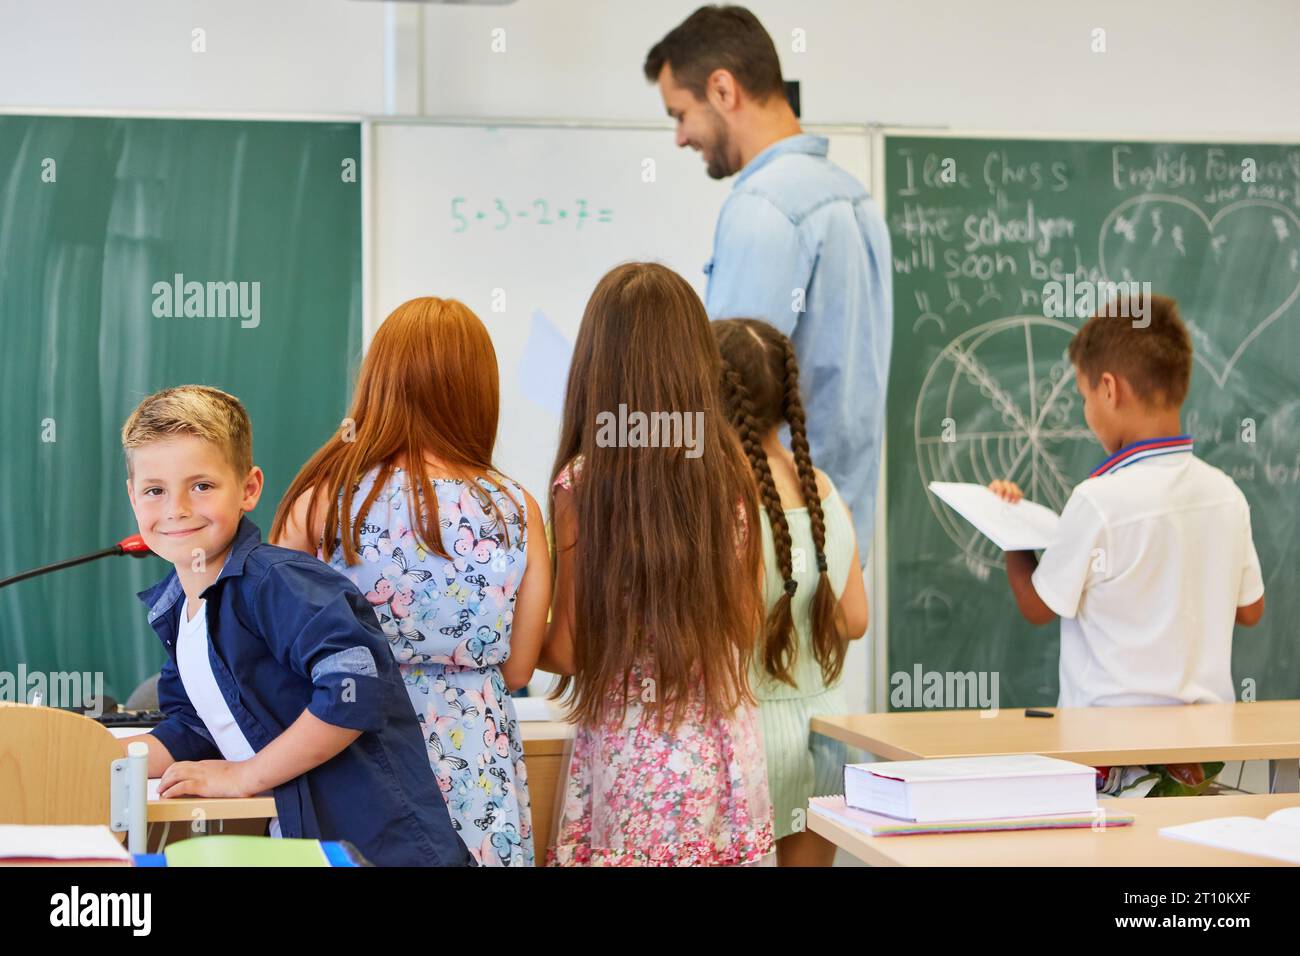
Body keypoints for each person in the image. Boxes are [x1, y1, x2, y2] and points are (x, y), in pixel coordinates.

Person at [119, 385, 470, 865]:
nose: (176, 508)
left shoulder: (278, 582)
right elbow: (195, 726)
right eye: (155, 491)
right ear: (133, 498)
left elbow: (354, 691)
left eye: (201, 486)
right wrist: (102, 759)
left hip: (379, 850)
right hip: (302, 844)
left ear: (248, 489)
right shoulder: (178, 607)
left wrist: (246, 776)